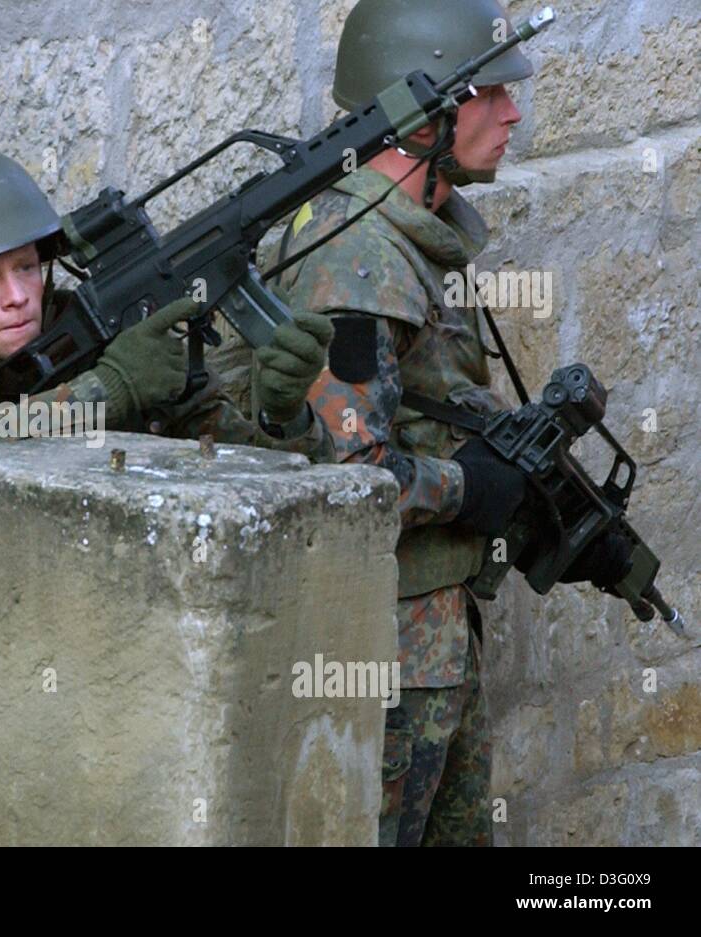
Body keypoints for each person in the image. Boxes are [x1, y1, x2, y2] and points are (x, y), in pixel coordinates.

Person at [0, 149, 337, 845]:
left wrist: (286, 417)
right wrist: (104, 394)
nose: (17, 296)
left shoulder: (116, 341)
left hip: (143, 688)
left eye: (29, 268)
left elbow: (274, 486)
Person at [271, 0, 629, 845]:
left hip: (428, 632)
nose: (513, 113)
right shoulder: (356, 262)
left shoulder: (404, 237)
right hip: (379, 644)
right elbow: (348, 486)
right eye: (491, 95)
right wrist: (472, 486)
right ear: (422, 114)